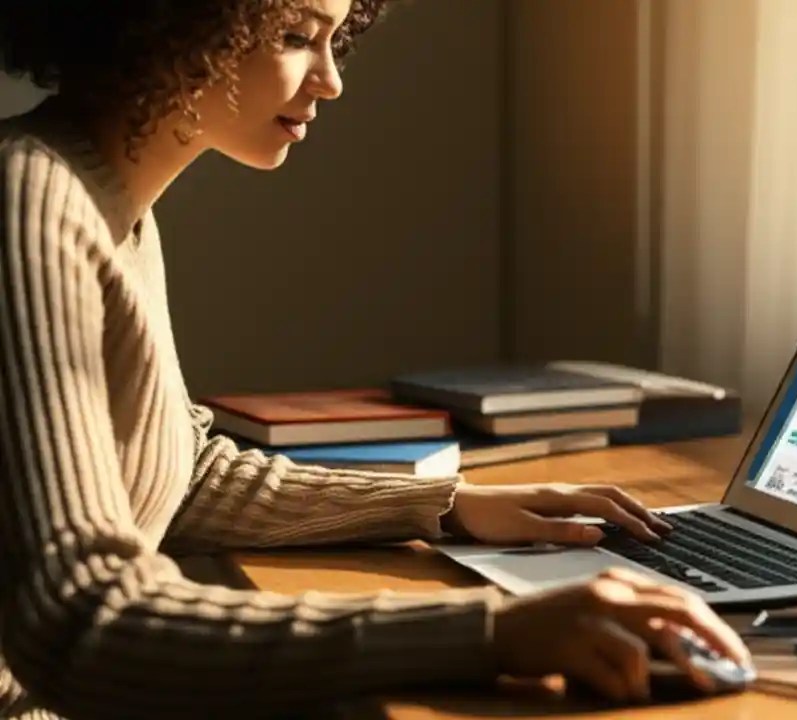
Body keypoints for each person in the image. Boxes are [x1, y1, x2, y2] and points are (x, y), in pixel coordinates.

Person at [0, 1, 750, 717]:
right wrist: (493, 631)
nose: (332, 79)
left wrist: (442, 505)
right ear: (172, 24)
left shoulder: (112, 205)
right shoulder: (32, 200)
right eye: (296, 35)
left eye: (335, 37)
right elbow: (80, 621)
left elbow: (178, 473)